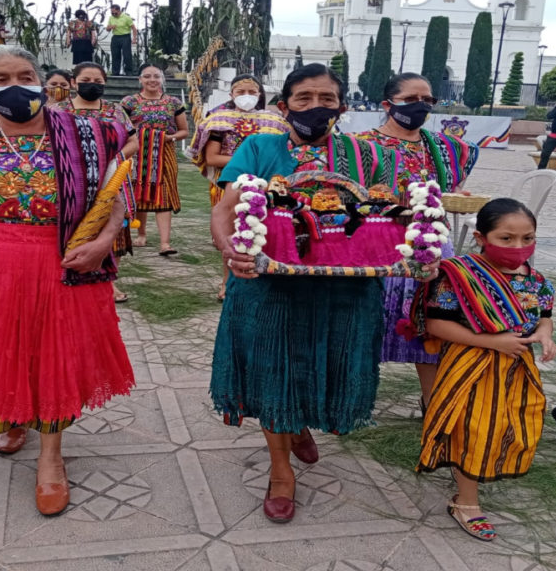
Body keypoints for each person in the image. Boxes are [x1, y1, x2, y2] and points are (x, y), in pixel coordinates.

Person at [0, 45, 135, 517]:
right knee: (3, 345)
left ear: (44, 80)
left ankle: (51, 459)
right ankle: (12, 415)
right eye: (1, 78)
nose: (15, 84)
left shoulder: (87, 132)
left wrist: (105, 243)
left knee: (54, 353)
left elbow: (116, 196)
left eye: (25, 74)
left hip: (61, 264)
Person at [210, 63, 407, 524]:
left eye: (326, 99)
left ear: (341, 105)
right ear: (283, 106)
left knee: (330, 365)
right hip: (269, 286)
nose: (316, 108)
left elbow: (392, 215)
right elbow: (225, 208)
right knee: (271, 370)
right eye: (303, 99)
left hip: (346, 289)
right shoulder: (260, 148)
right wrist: (230, 251)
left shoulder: (366, 156)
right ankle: (282, 471)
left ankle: (298, 423)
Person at [416, 199, 556, 541]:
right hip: (469, 366)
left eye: (527, 238)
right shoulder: (458, 276)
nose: (518, 247)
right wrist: (493, 342)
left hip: (516, 369)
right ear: (481, 237)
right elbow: (436, 325)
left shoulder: (535, 280)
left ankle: (474, 474)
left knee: (509, 425)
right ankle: (466, 502)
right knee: (472, 428)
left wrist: (544, 335)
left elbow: (545, 315)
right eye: (506, 238)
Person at [356, 72, 478, 409]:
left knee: (433, 320)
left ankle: (433, 403)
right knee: (367, 320)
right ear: (387, 104)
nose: (421, 106)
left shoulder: (444, 148)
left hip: (431, 245)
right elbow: (348, 196)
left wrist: (453, 195)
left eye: (428, 100)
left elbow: (447, 190)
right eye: (411, 99)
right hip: (376, 243)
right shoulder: (359, 146)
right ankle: (355, 397)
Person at [187, 73, 289, 300]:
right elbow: (212, 158)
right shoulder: (218, 120)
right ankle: (226, 282)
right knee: (233, 235)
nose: (246, 96)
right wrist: (248, 162)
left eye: (252, 92)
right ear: (231, 94)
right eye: (241, 92)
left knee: (268, 231)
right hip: (230, 185)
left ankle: (267, 280)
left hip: (267, 188)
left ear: (260, 94)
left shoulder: (276, 122)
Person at [59, 61, 140, 304]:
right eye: (86, 81)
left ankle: (110, 279)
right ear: (73, 82)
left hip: (111, 177)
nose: (92, 85)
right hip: (71, 179)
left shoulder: (115, 110)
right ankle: (72, 268)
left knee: (114, 225)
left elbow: (133, 142)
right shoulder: (58, 109)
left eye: (98, 82)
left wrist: (112, 159)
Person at [121, 64, 188, 255]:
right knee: (138, 191)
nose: (152, 80)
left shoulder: (173, 103)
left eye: (156, 76)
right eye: (147, 76)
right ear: (140, 80)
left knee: (164, 193)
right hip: (137, 152)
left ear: (162, 80)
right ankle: (141, 234)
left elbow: (184, 131)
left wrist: (168, 137)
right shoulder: (129, 102)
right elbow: (121, 127)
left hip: (164, 154)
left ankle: (165, 243)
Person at [106, 4, 137, 76]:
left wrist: (134, 38)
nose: (113, 14)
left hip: (125, 37)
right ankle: (115, 72)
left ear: (119, 10)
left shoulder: (126, 17)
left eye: (115, 13)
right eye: (112, 13)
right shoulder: (111, 18)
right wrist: (110, 27)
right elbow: (107, 29)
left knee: (127, 55)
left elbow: (134, 28)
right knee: (115, 55)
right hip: (115, 37)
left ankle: (128, 71)